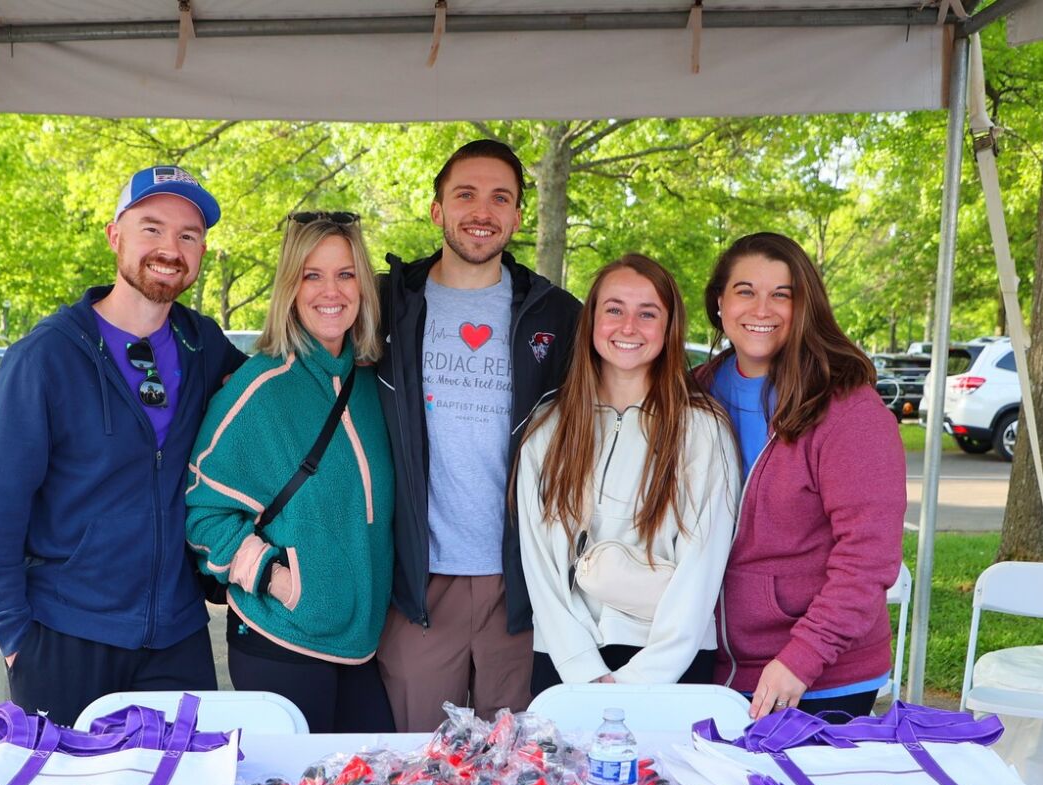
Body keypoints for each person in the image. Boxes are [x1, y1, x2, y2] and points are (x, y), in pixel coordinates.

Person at [0, 166, 246, 726]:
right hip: (63, 636)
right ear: (114, 235)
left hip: (177, 636)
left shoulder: (204, 345)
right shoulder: (45, 357)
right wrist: (14, 636)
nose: (170, 248)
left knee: (187, 782)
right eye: (152, 228)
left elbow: (277, 395)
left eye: (188, 235)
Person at [375, 139, 583, 731]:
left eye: (500, 198)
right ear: (437, 210)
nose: (482, 212)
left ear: (517, 217)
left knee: (514, 762)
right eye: (465, 195)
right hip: (417, 581)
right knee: (420, 760)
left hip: (520, 581)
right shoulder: (385, 304)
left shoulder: (557, 316)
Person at [184, 212, 395, 734]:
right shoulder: (261, 386)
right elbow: (202, 512)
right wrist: (279, 580)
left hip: (363, 643)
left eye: (346, 274)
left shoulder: (374, 383)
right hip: (281, 640)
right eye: (312, 275)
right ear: (290, 289)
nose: (331, 291)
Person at [699, 233, 907, 720]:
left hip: (820, 675)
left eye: (782, 294)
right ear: (719, 302)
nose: (762, 309)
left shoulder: (847, 409)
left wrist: (802, 657)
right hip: (711, 667)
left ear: (805, 306)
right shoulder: (693, 393)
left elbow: (868, 557)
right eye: (746, 291)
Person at [516, 254, 740, 694]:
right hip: (566, 657)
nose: (629, 326)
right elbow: (539, 562)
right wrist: (581, 668)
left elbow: (703, 567)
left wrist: (640, 681)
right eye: (614, 309)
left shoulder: (701, 428)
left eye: (648, 313)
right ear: (591, 321)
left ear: (670, 327)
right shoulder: (548, 427)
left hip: (670, 661)